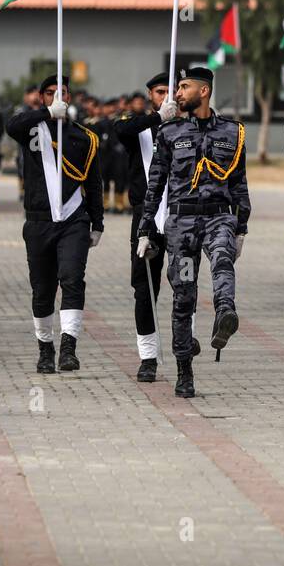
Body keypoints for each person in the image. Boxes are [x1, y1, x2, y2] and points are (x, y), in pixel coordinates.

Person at [137, 67, 249, 398]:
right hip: (182, 224)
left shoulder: (233, 132)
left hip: (218, 217)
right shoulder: (169, 132)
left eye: (184, 87)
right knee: (183, 296)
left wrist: (241, 227)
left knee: (222, 260)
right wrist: (145, 228)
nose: (177, 94)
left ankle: (225, 312)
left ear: (204, 91)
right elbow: (155, 182)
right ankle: (185, 370)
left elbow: (239, 182)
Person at [6, 76, 104, 373]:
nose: (55, 97)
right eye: (50, 93)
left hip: (74, 220)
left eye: (61, 93)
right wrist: (48, 113)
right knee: (42, 289)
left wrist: (97, 222)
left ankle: (69, 348)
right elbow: (13, 126)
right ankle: (45, 348)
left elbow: (93, 182)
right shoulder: (32, 130)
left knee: (72, 280)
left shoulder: (84, 137)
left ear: (69, 97)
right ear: (41, 97)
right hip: (38, 220)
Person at [113, 73, 184, 382]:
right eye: (160, 91)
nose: (168, 96)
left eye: (173, 90)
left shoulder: (190, 127)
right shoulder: (139, 125)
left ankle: (185, 346)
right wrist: (157, 117)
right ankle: (148, 357)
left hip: (182, 217)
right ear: (150, 95)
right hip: (147, 219)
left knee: (185, 286)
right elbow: (119, 130)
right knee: (145, 289)